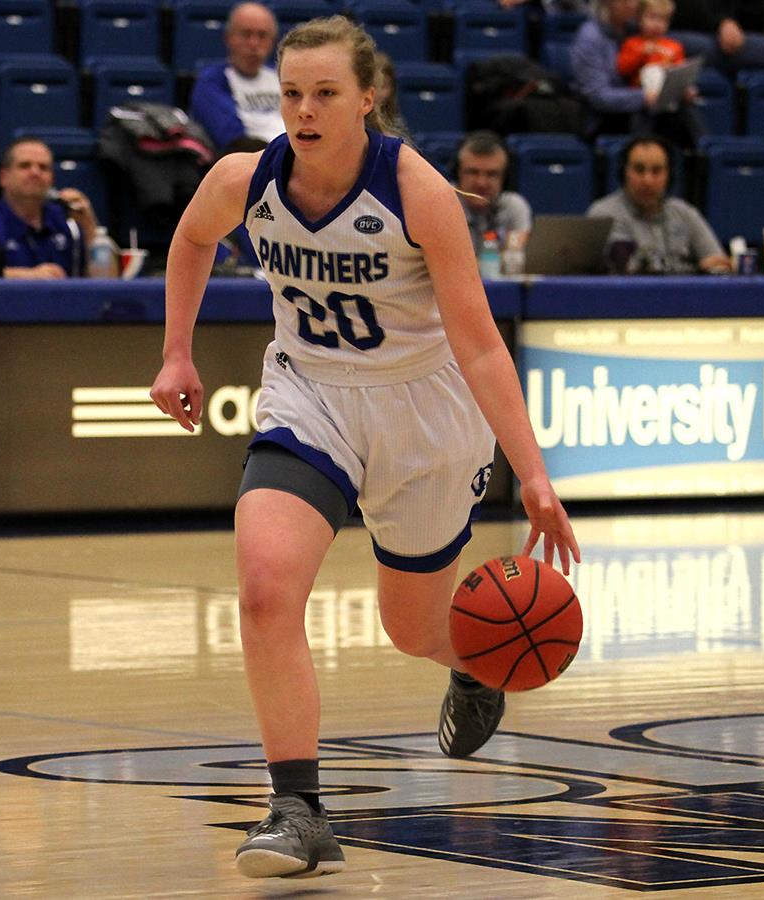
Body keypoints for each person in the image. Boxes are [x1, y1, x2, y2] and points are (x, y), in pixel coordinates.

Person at [149, 15, 579, 880]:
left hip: (425, 415)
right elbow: (192, 239)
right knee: (267, 588)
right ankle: (298, 810)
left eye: (325, 94)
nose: (303, 111)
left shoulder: (415, 191)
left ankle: (476, 665)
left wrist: (533, 473)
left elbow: (482, 344)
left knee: (412, 629)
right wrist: (175, 349)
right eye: (292, 94)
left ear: (366, 100)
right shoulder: (246, 178)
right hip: (309, 399)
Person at [0, 137, 100, 279]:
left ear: (52, 179)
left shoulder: (67, 220)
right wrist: (31, 276)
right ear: (3, 177)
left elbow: (106, 279)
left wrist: (90, 229)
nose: (35, 173)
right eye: (25, 166)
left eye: (43, 168)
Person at [586, 134, 730, 273]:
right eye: (639, 169)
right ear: (624, 173)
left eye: (656, 171)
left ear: (669, 175)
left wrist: (714, 265)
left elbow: (718, 261)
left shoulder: (685, 212)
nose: (648, 180)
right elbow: (630, 271)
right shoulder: (604, 215)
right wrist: (698, 269)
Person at [572, 0, 704, 148]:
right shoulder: (590, 37)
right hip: (605, 119)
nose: (632, 5)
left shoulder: (637, 29)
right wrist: (643, 97)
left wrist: (680, 88)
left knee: (681, 110)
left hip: (644, 108)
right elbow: (598, 97)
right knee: (664, 119)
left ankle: (702, 156)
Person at [189, 2, 284, 153]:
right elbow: (232, 139)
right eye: (246, 34)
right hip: (252, 160)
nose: (254, 44)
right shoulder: (212, 81)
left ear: (272, 42)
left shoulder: (282, 76)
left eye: (262, 35)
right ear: (229, 38)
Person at [456, 131, 532, 254]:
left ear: (504, 178)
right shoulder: (442, 204)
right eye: (473, 172)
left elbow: (513, 259)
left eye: (492, 174)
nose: (481, 183)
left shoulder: (514, 207)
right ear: (458, 172)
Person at [668, 0, 764, 76]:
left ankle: (744, 106)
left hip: (724, 32)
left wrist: (732, 24)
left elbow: (757, 18)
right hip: (673, 32)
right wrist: (721, 22)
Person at [618, 0, 687, 110]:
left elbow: (682, 73)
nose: (657, 24)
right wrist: (641, 54)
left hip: (669, 96)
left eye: (663, 20)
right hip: (641, 97)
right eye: (652, 17)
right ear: (639, 18)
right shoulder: (632, 43)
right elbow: (623, 70)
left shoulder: (674, 46)